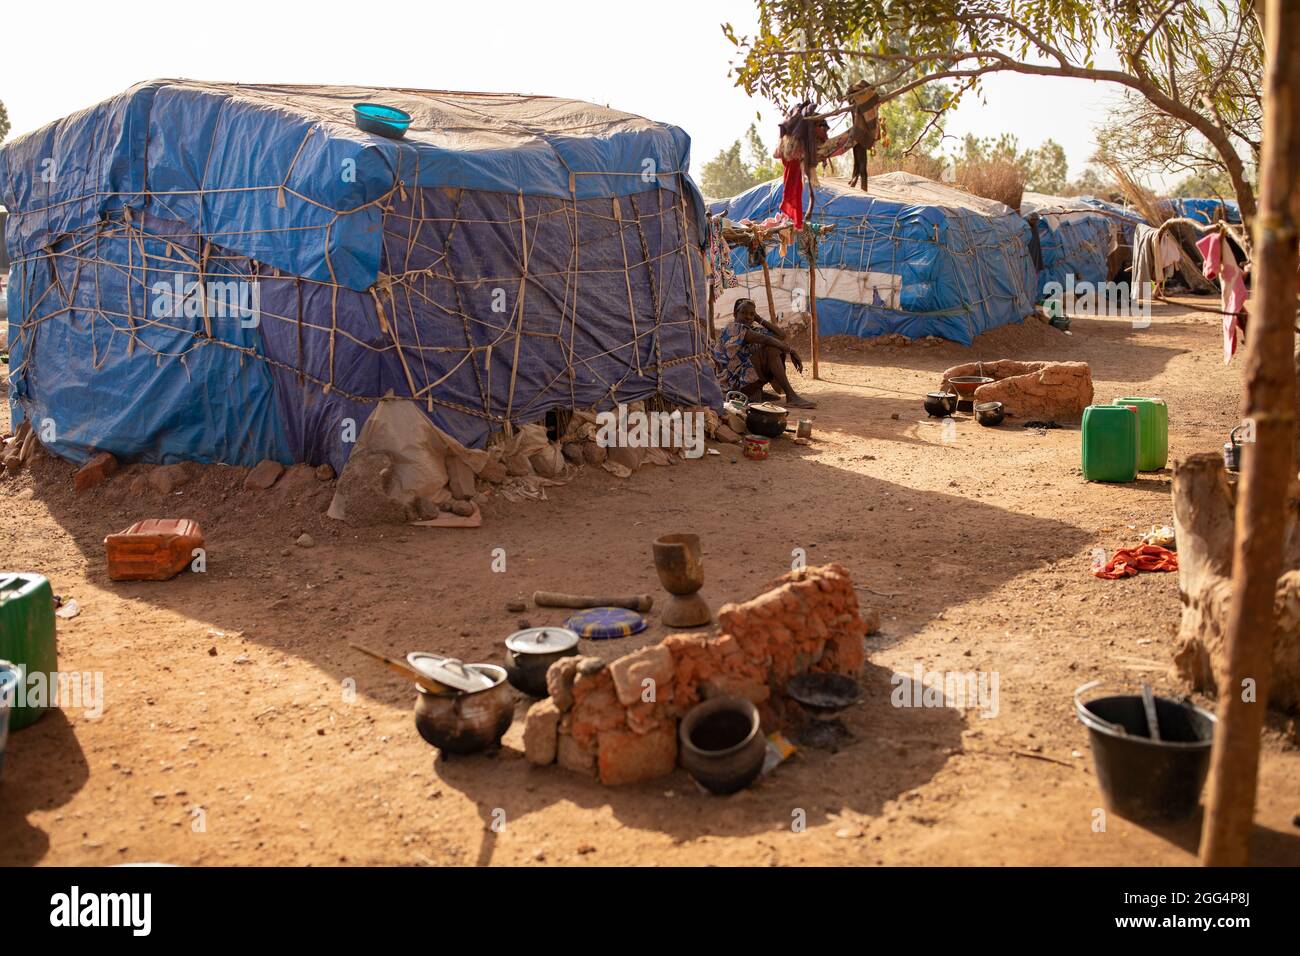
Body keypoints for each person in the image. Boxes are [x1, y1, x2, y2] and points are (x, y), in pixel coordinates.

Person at [712, 298, 816, 408]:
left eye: (751, 314)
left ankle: (757, 392)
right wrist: (791, 350)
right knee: (770, 349)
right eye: (743, 312)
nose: (748, 316)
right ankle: (791, 396)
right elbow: (765, 339)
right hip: (731, 384)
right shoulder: (732, 328)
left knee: (773, 347)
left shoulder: (751, 329)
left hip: (742, 381)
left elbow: (781, 335)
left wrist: (758, 318)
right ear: (735, 314)